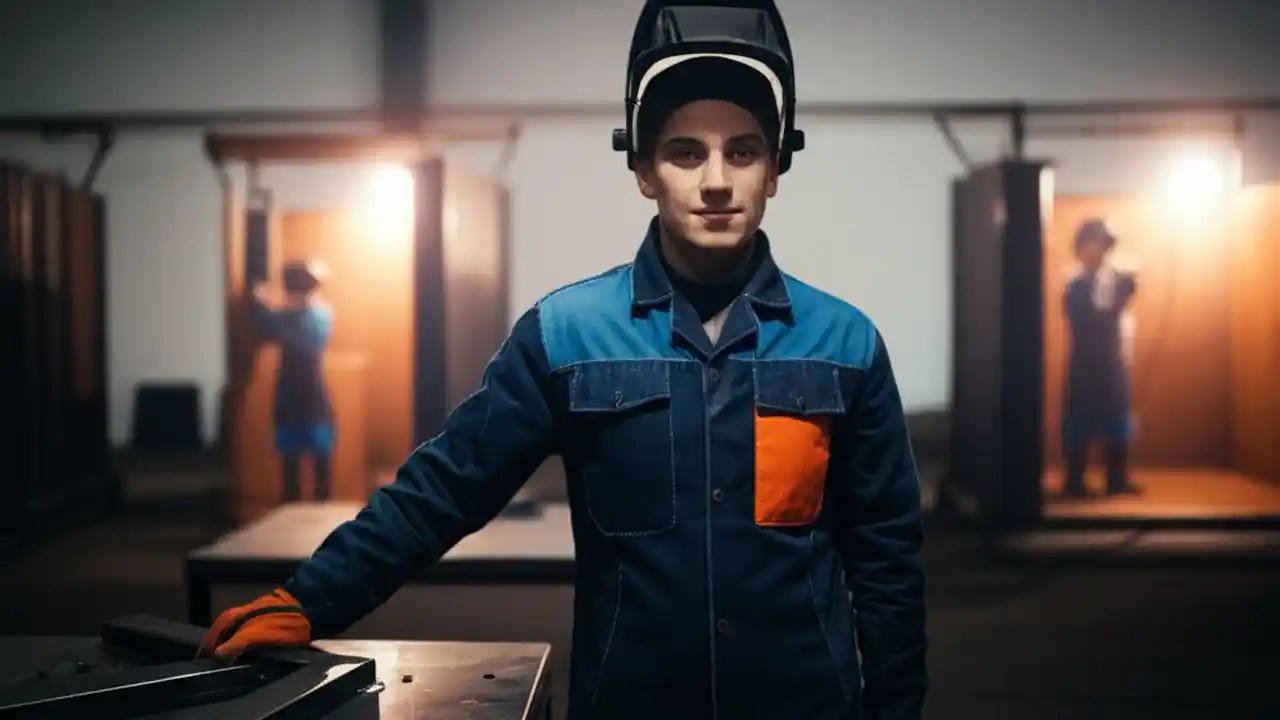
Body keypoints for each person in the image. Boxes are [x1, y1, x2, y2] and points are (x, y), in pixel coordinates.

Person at [199, 3, 926, 718]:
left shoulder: (844, 345)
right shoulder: (567, 336)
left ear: (775, 169)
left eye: (742, 151)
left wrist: (896, 709)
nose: (715, 180)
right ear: (643, 170)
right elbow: (445, 487)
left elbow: (887, 559)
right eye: (684, 152)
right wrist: (311, 598)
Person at [1062, 218, 1141, 497]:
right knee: (1079, 423)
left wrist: (1122, 283)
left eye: (1103, 244)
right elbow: (1089, 316)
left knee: (1118, 420)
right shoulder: (1075, 284)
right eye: (1092, 243)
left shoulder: (1117, 279)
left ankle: (1116, 479)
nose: (1098, 251)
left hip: (1113, 362)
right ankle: (1074, 481)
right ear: (1081, 248)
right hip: (1085, 362)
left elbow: (1121, 301)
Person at [247, 259, 336, 502]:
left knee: (318, 452)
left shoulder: (314, 316)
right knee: (292, 455)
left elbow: (276, 325)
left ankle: (320, 505)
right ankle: (295, 504)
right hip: (294, 388)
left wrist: (260, 300)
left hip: (308, 387)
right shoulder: (307, 315)